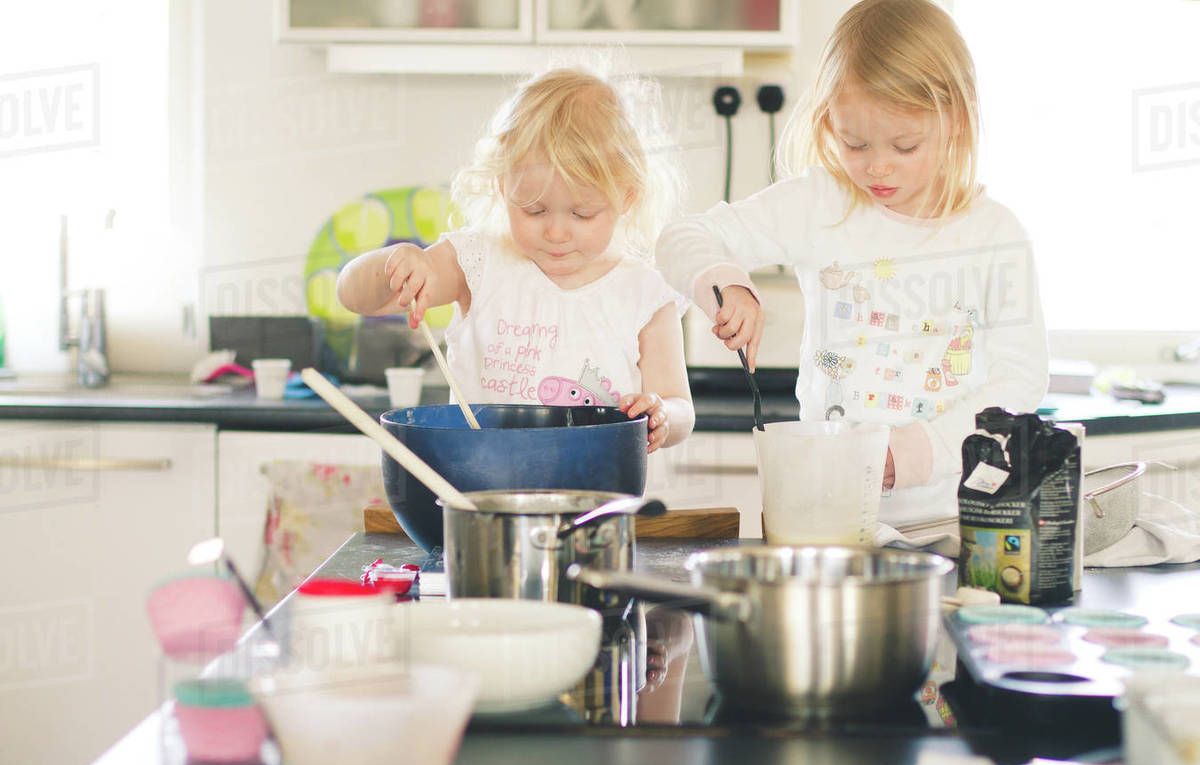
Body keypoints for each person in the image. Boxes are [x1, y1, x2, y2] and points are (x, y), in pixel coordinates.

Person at [654, 0, 1048, 524]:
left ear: (955, 120)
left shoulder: (995, 234)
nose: (877, 167)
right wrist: (727, 283)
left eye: (905, 145)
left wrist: (914, 452)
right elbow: (681, 237)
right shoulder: (820, 204)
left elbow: (1020, 385)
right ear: (828, 121)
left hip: (957, 518)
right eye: (854, 142)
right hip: (828, 513)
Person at [337, 66, 694, 453]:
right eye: (534, 210)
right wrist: (397, 262)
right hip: (482, 488)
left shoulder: (645, 293)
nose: (556, 232)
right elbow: (352, 295)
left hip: (596, 496)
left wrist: (662, 415)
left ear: (626, 196)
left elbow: (679, 405)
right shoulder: (478, 262)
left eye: (582, 214)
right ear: (503, 187)